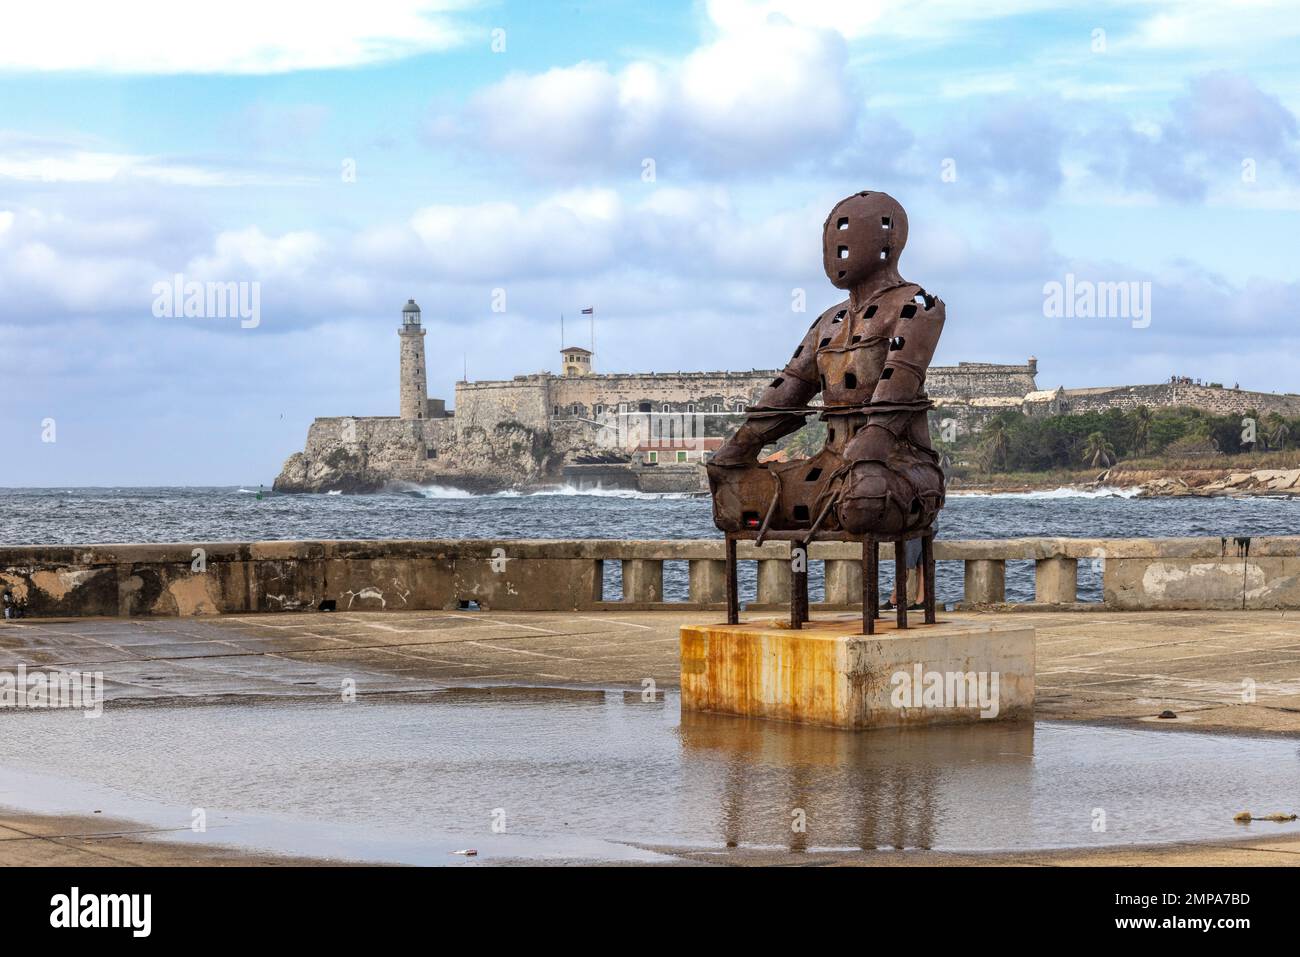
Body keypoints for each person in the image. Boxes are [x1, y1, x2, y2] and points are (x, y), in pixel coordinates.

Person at [881, 537, 926, 611]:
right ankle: (921, 601)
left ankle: (894, 600)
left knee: (904, 565)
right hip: (930, 527)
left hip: (918, 529)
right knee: (921, 563)